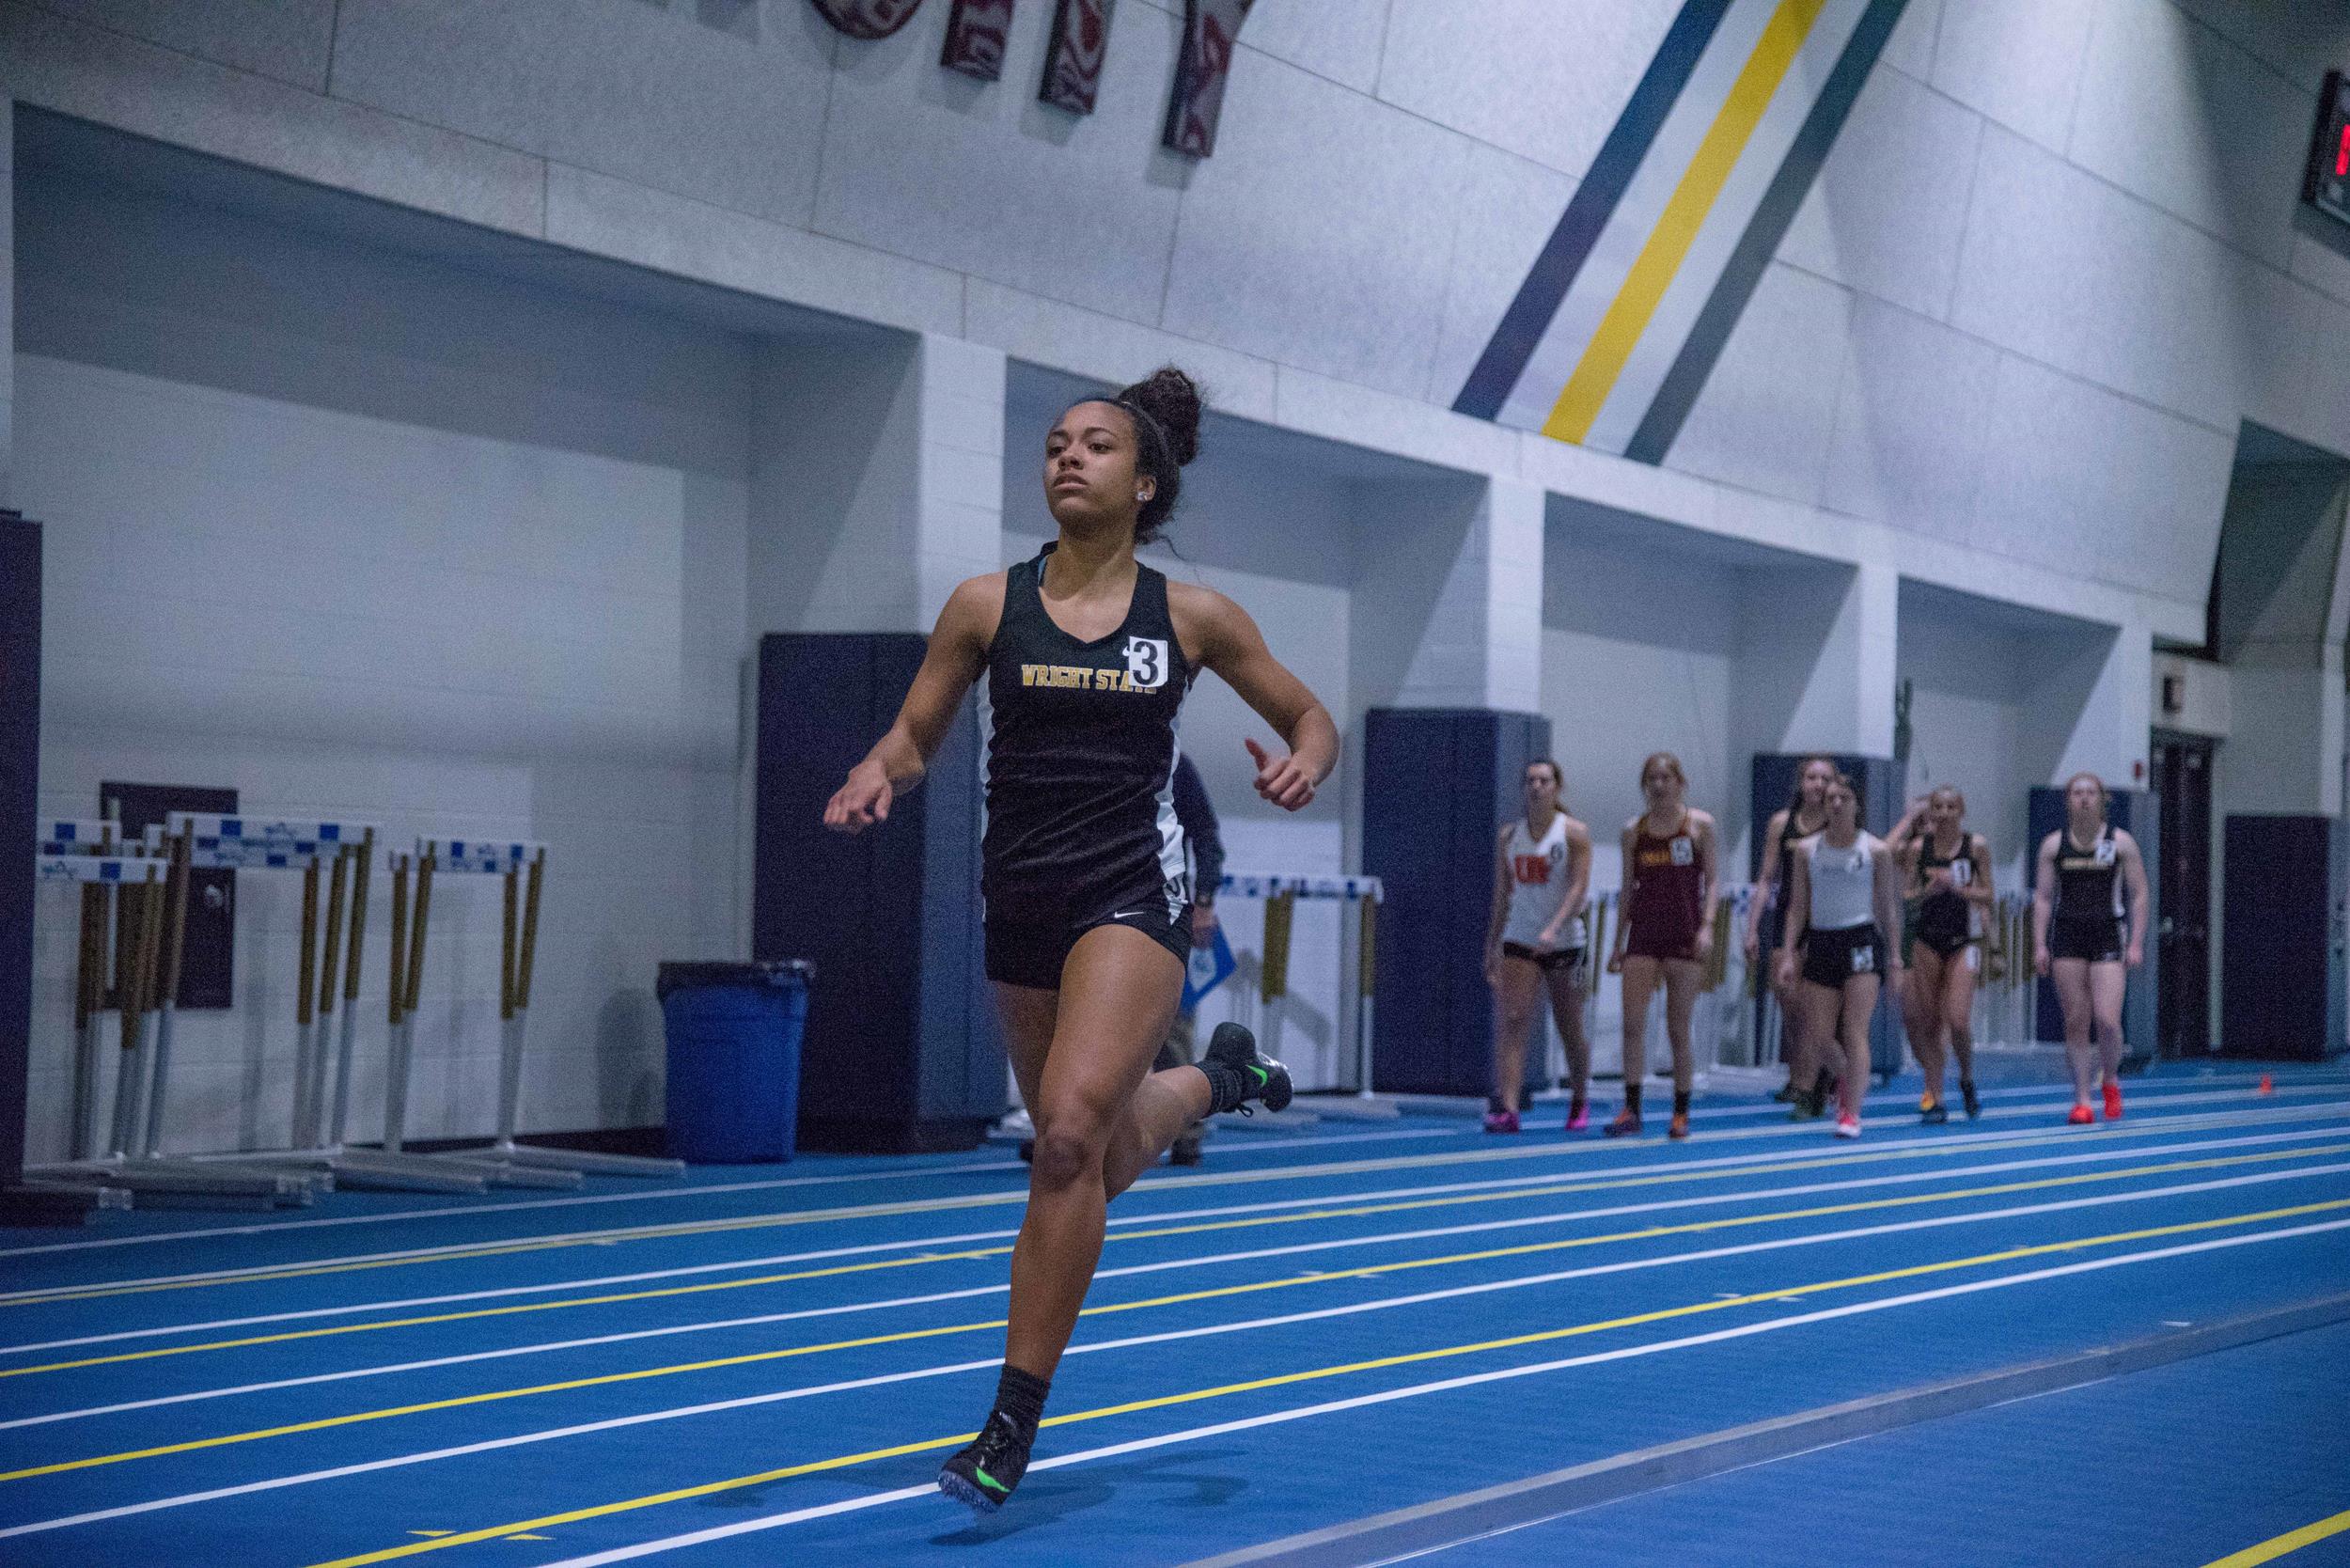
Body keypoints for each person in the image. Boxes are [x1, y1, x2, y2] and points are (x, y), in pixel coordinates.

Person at [823, 367, 1339, 1512]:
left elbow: (1306, 713)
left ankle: (1009, 1423)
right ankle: (1216, 1079)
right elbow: (916, 736)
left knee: (1060, 1141)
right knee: (1095, 1158)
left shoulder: (1190, 617)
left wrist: (1306, 757)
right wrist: (877, 770)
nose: (1066, 456)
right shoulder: (982, 604)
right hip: (1022, 897)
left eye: (1095, 445)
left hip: (1131, 893)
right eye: (1055, 442)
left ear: (1144, 481)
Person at [1016, 751, 1224, 1166]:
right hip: (1071, 902)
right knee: (1066, 1023)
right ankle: (1059, 1129)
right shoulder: (1064, 759)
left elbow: (1206, 837)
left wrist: (1204, 900)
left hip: (1153, 903)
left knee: (1168, 1028)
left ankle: (1195, 1122)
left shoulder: (1172, 760)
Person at [1776, 772, 1904, 1138]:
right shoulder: (1806, 850)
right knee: (1817, 1036)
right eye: (1830, 798)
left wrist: (1895, 958)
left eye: (1843, 798)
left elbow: (1886, 907)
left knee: (1854, 1030)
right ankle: (1846, 1077)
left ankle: (1852, 1112)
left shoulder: (1875, 850)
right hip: (1821, 941)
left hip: (1861, 940)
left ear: (1856, 804)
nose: (1835, 804)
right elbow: (1797, 906)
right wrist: (1788, 954)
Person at [1605, 752, 1718, 1140]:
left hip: (1685, 936)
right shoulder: (1633, 832)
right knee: (1632, 1024)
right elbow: (1626, 890)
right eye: (1652, 778)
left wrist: (1708, 927)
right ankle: (1631, 1108)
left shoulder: (1699, 826)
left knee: (1677, 1028)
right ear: (1644, 784)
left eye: (1666, 777)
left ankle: (1681, 1111)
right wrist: (1617, 943)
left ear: (1679, 783)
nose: (1658, 785)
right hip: (1644, 937)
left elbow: (1714, 882)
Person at [1483, 759, 1594, 1133]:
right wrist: (1493, 944)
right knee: (1513, 1020)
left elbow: (1579, 888)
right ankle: (1508, 1107)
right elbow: (1503, 894)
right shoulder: (1509, 837)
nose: (1536, 787)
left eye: (1544, 781)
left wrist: (1555, 927)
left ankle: (1579, 1097)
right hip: (1520, 936)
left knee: (1569, 1025)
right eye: (1530, 780)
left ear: (1557, 787)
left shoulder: (1574, 834)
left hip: (1563, 941)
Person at [2032, 773, 2149, 1125]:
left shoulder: (2121, 842)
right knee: (2076, 1020)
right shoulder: (2054, 845)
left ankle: (2110, 1079)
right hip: (2068, 936)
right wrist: (2039, 943)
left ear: (2102, 800)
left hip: (2108, 933)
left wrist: (2136, 942)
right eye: (2077, 793)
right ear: (2068, 800)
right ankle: (2082, 1097)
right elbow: (2043, 897)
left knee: (2107, 1020)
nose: (2084, 799)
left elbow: (2139, 893)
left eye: (2090, 793)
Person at [1889, 787, 1993, 1123]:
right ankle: (1934, 1095)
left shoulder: (1975, 846)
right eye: (1938, 807)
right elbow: (1907, 896)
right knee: (1930, 1021)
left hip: (1964, 940)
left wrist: (1957, 888)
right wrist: (1926, 890)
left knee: (1958, 1019)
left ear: (1961, 810)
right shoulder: (1920, 849)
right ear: (1930, 812)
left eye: (1951, 807)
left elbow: (1988, 894)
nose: (1945, 813)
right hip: (1926, 939)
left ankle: (1966, 1077)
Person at [1746, 756, 1836, 1106]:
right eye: (1810, 777)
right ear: (1800, 783)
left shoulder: (1838, 826)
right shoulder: (1782, 824)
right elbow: (1767, 877)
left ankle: (1810, 1079)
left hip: (1827, 920)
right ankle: (1804, 1073)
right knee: (1789, 1001)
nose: (1817, 784)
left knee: (1818, 1007)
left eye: (1824, 778)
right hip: (1788, 918)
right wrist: (1753, 927)